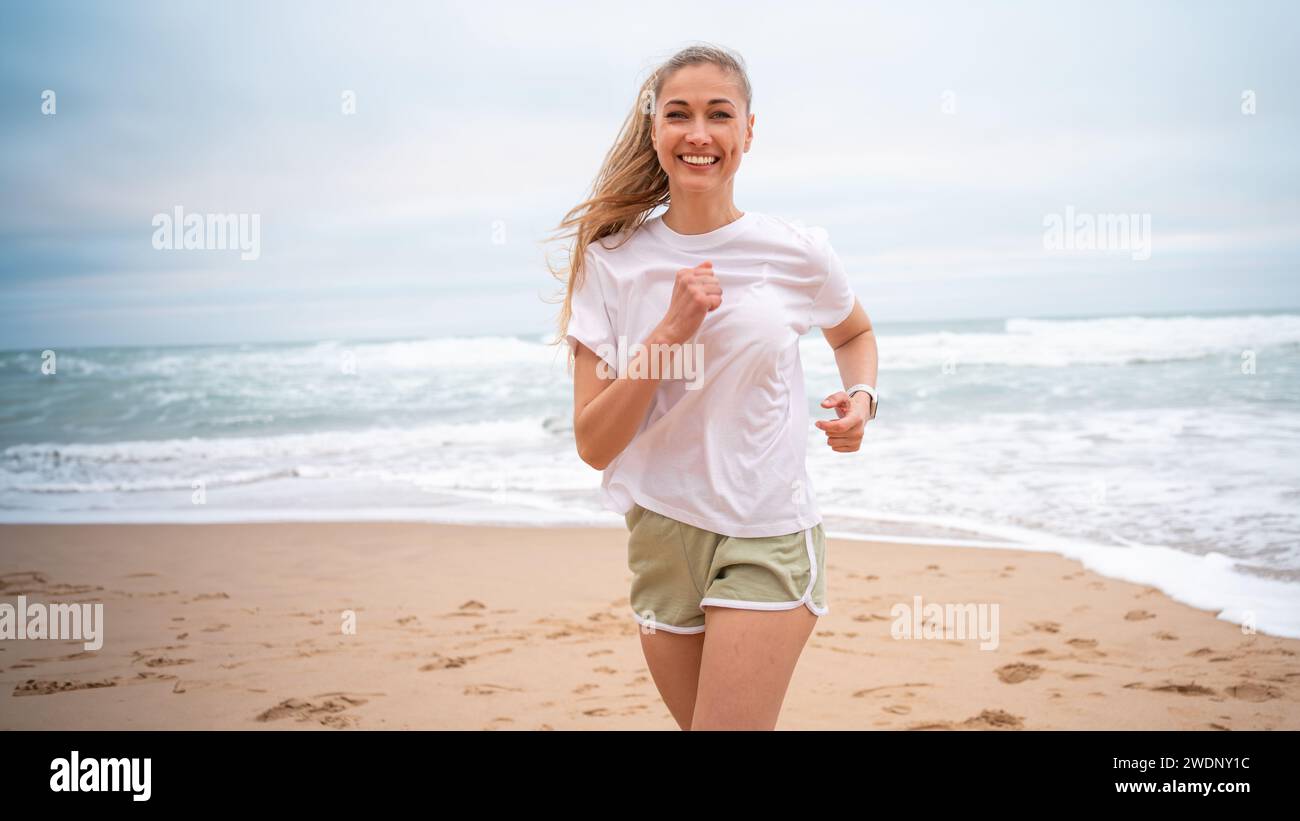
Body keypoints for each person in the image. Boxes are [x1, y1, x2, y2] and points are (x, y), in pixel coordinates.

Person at [547, 43, 879, 730]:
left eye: (718, 114)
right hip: (662, 539)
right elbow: (594, 441)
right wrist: (670, 329)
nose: (698, 134)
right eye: (679, 114)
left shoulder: (797, 251)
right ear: (654, 130)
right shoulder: (610, 262)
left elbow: (852, 334)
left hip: (766, 528)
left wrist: (863, 399)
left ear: (748, 131)